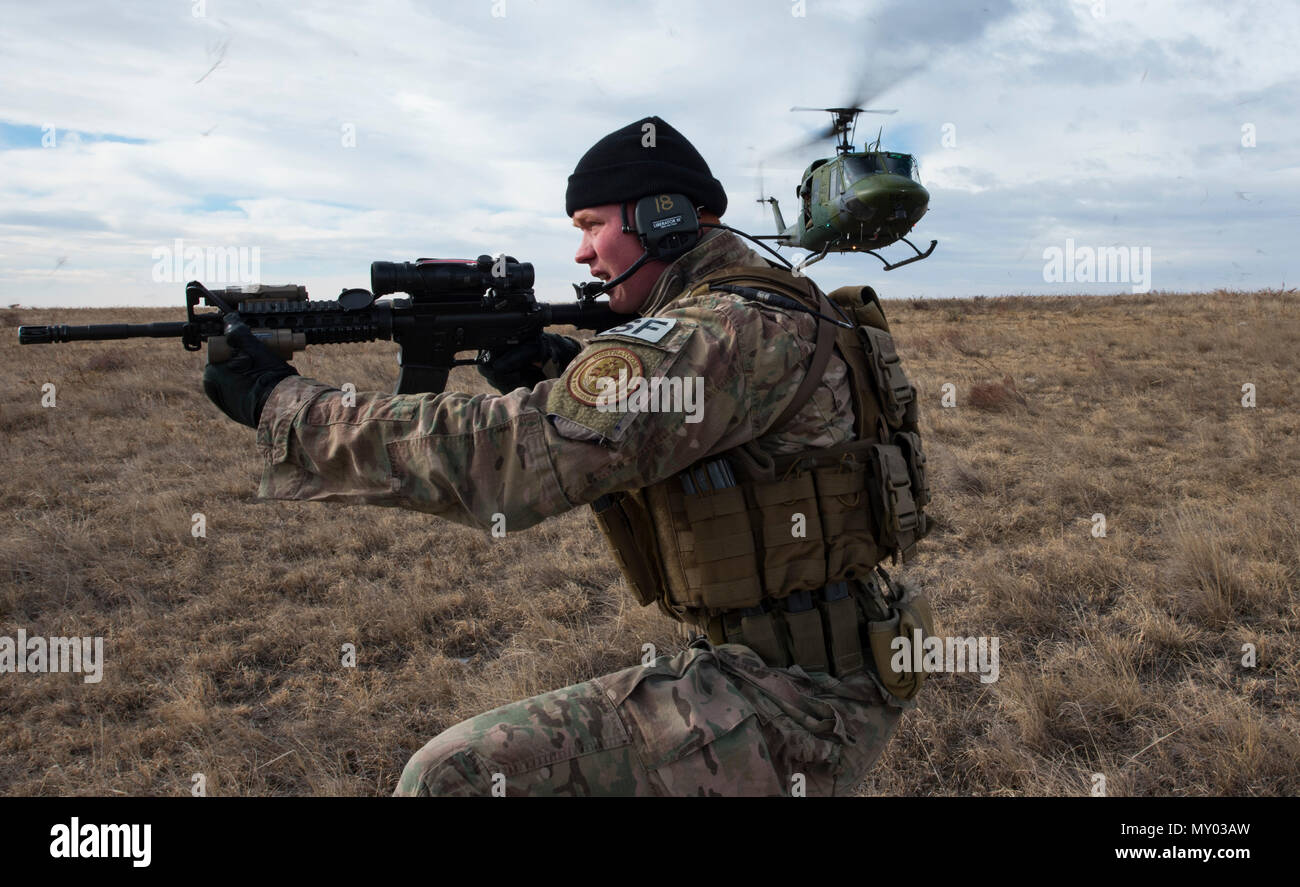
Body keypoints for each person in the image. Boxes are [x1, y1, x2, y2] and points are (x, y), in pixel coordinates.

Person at [202, 116, 932, 796]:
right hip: (833, 663)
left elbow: (513, 462)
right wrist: (555, 368)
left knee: (448, 777)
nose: (582, 252)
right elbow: (670, 426)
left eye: (591, 226)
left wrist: (288, 409)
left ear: (664, 219)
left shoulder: (721, 330)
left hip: (793, 703)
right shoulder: (777, 302)